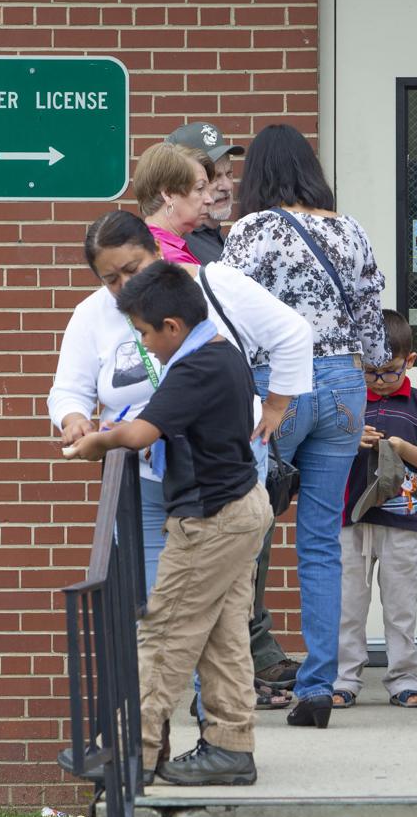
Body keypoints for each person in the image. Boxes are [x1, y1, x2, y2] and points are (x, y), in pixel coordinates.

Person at [47, 210, 311, 711]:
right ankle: (193, 715)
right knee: (159, 604)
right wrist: (74, 419)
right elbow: (68, 390)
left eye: (133, 268)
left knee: (219, 603)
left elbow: (294, 334)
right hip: (145, 478)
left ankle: (209, 716)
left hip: (220, 475)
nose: (124, 287)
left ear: (157, 249)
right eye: (110, 278)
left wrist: (277, 407)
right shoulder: (91, 314)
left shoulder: (214, 285)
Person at [66, 261, 273, 786]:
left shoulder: (194, 367)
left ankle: (127, 750)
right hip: (241, 507)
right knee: (223, 637)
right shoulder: (223, 352)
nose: (144, 344)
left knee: (164, 631)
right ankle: (229, 748)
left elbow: (140, 433)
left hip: (210, 519)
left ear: (173, 327)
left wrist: (98, 442)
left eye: (144, 333)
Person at [221, 123, 388, 729]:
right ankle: (320, 687)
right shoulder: (351, 230)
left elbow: (227, 315)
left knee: (244, 535)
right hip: (344, 387)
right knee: (321, 542)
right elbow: (374, 332)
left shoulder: (250, 231)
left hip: (276, 389)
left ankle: (226, 681)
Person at [165, 121, 303, 693]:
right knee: (239, 537)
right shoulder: (181, 252)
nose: (223, 185)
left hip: (244, 407)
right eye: (209, 176)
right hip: (210, 422)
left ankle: (253, 654)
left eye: (227, 173)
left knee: (252, 532)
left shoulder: (223, 243)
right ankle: (244, 663)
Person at [332, 310, 417, 710]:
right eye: (370, 372)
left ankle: (404, 679)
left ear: (409, 361)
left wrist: (402, 448)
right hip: (350, 520)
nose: (380, 381)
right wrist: (351, 438)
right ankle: (345, 678)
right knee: (348, 606)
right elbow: (323, 453)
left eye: (389, 371)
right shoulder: (347, 403)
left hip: (403, 521)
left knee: (400, 608)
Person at [165, 121, 244, 265]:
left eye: (229, 173)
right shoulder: (176, 247)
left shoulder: (218, 236)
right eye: (214, 176)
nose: (227, 186)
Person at [134, 141, 214, 266]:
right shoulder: (171, 260)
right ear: (169, 194)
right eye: (200, 188)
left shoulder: (143, 244)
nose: (210, 199)